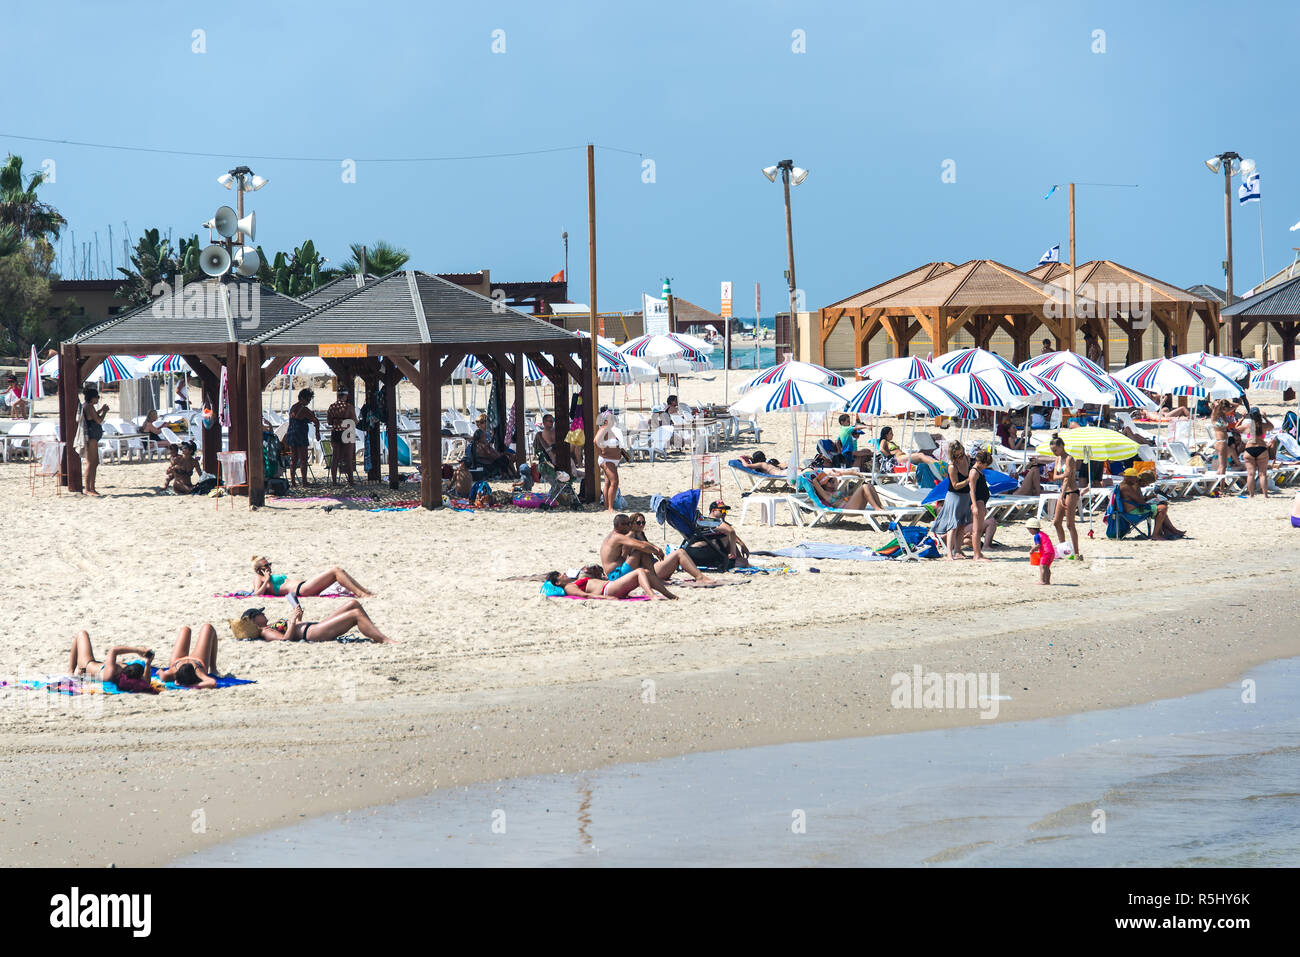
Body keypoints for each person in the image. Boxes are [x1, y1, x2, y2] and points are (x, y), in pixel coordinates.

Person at [614, 512, 715, 584]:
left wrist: (656, 549)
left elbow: (646, 545)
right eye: (638, 523)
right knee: (680, 553)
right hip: (648, 569)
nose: (641, 525)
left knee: (679, 554)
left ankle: (699, 576)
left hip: (653, 566)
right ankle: (699, 577)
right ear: (631, 524)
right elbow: (624, 557)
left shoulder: (641, 534)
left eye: (643, 523)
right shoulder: (630, 536)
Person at [239, 599, 395, 643]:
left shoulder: (268, 626)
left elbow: (291, 629)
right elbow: (285, 639)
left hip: (313, 627)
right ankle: (383, 639)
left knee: (353, 604)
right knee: (354, 614)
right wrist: (292, 621)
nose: (264, 615)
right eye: (260, 614)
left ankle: (376, 634)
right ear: (254, 620)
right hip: (312, 633)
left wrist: (298, 617)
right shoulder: (265, 631)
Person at [66, 632, 158, 693]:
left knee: (82, 634)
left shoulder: (110, 673)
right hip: (97, 666)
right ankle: (77, 672)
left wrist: (137, 650)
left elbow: (113, 650)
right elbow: (146, 682)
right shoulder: (132, 679)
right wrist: (148, 664)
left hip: (86, 665)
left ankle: (70, 671)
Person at [251, 556, 376, 598]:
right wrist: (267, 579)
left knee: (339, 571)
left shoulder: (268, 575)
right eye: (265, 566)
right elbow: (257, 594)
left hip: (304, 585)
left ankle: (363, 591)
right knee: (335, 570)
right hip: (301, 590)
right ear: (258, 570)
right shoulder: (258, 578)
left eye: (269, 564)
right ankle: (361, 594)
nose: (269, 567)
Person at [934, 442, 974, 559]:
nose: (960, 458)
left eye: (961, 455)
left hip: (965, 496)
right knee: (952, 526)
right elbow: (955, 485)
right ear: (952, 456)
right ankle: (949, 554)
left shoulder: (966, 458)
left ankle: (958, 551)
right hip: (954, 496)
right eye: (957, 456)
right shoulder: (952, 466)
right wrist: (968, 480)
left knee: (962, 525)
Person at [1118, 470, 1185, 540]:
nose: (1136, 479)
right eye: (1135, 477)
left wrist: (1150, 498)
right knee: (1162, 508)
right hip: (1133, 512)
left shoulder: (1126, 485)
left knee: (1161, 507)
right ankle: (1156, 534)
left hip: (1134, 508)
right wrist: (1152, 501)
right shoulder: (1128, 487)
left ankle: (1169, 531)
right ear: (1128, 477)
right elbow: (1140, 502)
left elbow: (1137, 499)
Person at [546, 566, 675, 600]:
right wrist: (606, 598)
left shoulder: (573, 583)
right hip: (608, 590)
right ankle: (653, 596)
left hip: (610, 586)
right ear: (557, 583)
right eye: (560, 575)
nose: (563, 574)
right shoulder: (569, 587)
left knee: (645, 572)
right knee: (639, 571)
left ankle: (670, 596)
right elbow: (585, 596)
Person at [1049, 434, 1083, 561]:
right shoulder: (1058, 459)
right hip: (1063, 491)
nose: (1054, 452)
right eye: (1052, 450)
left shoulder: (1069, 459)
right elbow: (1055, 477)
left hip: (1071, 491)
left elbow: (1069, 478)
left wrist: (1063, 493)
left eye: (1055, 450)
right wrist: (1064, 475)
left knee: (1070, 524)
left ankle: (1077, 552)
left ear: (1062, 446)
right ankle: (1064, 550)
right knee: (1057, 522)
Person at [158, 625, 222, 689]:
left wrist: (188, 686)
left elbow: (159, 671)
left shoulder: (168, 675)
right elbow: (212, 682)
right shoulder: (198, 674)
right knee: (208, 627)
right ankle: (213, 668)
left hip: (177, 661)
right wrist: (193, 686)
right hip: (197, 661)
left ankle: (213, 668)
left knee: (185, 629)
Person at [807, 468, 887, 512]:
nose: (832, 481)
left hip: (851, 505)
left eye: (831, 480)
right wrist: (813, 472)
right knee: (864, 486)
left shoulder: (834, 489)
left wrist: (852, 472)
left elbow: (837, 475)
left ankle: (880, 507)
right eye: (829, 481)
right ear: (823, 485)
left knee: (869, 485)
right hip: (847, 508)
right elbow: (814, 481)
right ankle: (877, 508)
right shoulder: (825, 494)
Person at [285, 389, 320, 488]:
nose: (309, 402)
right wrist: (317, 433)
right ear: (303, 398)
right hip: (300, 434)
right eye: (308, 399)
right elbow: (316, 421)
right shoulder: (303, 409)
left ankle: (292, 482)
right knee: (303, 459)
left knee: (294, 459)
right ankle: (304, 482)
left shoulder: (293, 407)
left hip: (291, 433)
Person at [79, 386, 109, 496]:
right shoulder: (89, 407)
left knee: (94, 463)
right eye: (97, 397)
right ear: (93, 398)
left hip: (92, 437)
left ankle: (92, 487)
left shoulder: (87, 406)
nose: (98, 399)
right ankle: (88, 488)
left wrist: (100, 410)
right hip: (91, 438)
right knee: (91, 463)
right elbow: (99, 420)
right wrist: (104, 412)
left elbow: (93, 416)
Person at [1237, 407, 1271, 498]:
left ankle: (1251, 495)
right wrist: (1265, 417)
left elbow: (1236, 428)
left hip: (1249, 449)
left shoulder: (1248, 426)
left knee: (1251, 474)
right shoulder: (1264, 425)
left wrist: (1242, 418)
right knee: (1262, 474)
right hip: (1262, 449)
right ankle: (1265, 495)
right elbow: (1272, 427)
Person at [704, 501, 750, 567]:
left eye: (725, 511)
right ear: (713, 510)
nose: (724, 513)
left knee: (729, 538)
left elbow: (730, 534)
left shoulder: (706, 521)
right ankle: (736, 559)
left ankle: (738, 558)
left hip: (713, 551)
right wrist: (734, 552)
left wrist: (741, 544)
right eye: (722, 511)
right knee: (744, 562)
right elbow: (731, 532)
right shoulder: (713, 522)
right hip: (712, 556)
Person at [968, 449, 995, 561]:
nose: (985, 467)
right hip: (977, 502)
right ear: (980, 462)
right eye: (985, 465)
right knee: (977, 530)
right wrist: (974, 505)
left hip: (981, 502)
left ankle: (978, 553)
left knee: (978, 529)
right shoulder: (974, 472)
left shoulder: (978, 471)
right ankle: (977, 555)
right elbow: (972, 490)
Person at [326, 388, 357, 486]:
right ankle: (351, 481)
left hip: (335, 432)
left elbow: (329, 422)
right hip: (347, 432)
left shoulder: (332, 407)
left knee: (335, 458)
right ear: (346, 396)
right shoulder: (349, 407)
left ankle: (334, 481)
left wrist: (337, 421)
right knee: (348, 458)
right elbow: (354, 421)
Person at [594, 411, 621, 511]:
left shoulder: (610, 430)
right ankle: (610, 507)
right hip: (607, 459)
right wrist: (600, 453)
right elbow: (595, 441)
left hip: (611, 459)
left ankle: (607, 506)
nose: (613, 419)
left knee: (608, 483)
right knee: (614, 482)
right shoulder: (604, 428)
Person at [1025, 518, 1054, 585]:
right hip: (1051, 552)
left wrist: (1032, 550)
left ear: (1032, 529)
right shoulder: (1043, 534)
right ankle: (1047, 581)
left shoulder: (1037, 536)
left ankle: (1042, 581)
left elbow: (1038, 545)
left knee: (1042, 566)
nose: (1029, 531)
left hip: (1046, 553)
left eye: (1028, 529)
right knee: (1047, 567)